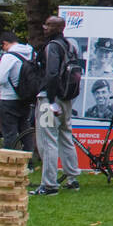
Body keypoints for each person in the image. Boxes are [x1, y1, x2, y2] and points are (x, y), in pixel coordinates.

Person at [33, 16, 82, 196]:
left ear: (57, 28)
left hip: (50, 99)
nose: (44, 27)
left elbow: (52, 74)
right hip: (67, 99)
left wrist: (51, 101)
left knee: (49, 140)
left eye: (48, 25)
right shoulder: (70, 46)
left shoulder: (53, 46)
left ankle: (49, 184)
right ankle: (72, 178)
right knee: (66, 136)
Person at [0, 31, 38, 162]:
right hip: (26, 97)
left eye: (3, 47)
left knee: (10, 132)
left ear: (5, 43)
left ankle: (12, 161)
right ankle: (28, 161)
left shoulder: (8, 57)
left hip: (9, 98)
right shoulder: (31, 53)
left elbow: (0, 79)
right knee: (25, 130)